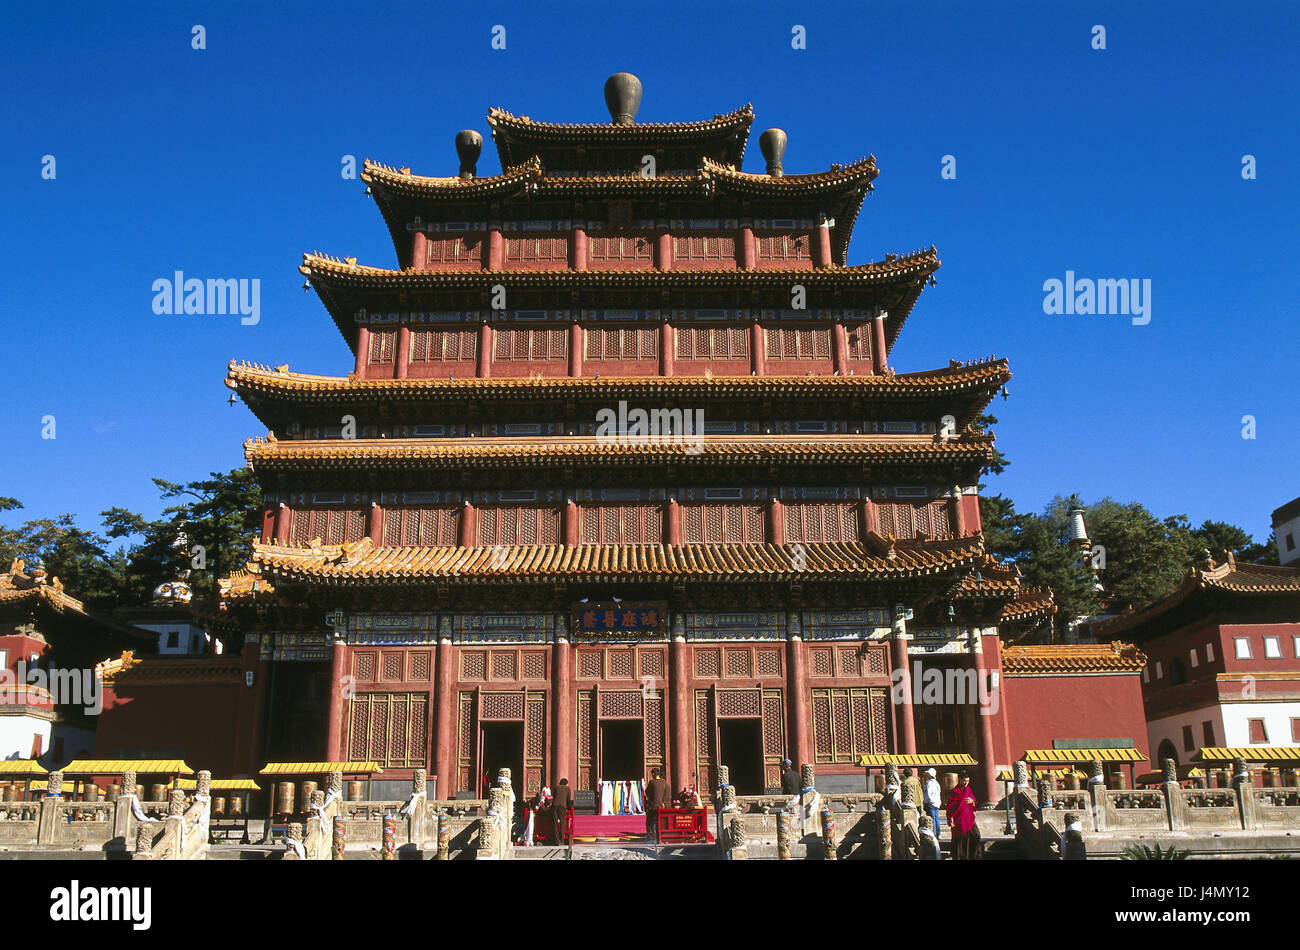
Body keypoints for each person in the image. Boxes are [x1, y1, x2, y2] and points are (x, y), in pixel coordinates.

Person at [945, 771, 982, 859]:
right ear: (959, 780)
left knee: (976, 835)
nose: (965, 783)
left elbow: (973, 799)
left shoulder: (968, 789)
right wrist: (950, 818)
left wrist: (972, 801)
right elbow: (950, 806)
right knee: (961, 839)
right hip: (959, 819)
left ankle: (974, 855)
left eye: (967, 781)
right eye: (964, 781)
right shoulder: (955, 791)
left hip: (969, 818)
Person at [644, 768, 670, 839]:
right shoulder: (664, 783)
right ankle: (662, 834)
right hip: (663, 806)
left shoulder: (652, 782)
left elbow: (647, 792)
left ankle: (651, 835)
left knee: (650, 821)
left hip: (653, 806)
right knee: (660, 821)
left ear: (653, 774)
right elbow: (667, 794)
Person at [551, 778, 573, 845]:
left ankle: (557, 840)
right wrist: (570, 808)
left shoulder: (556, 787)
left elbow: (553, 797)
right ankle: (562, 840)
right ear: (566, 783)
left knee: (555, 823)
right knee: (562, 823)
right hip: (562, 806)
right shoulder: (567, 788)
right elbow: (568, 799)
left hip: (555, 806)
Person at [922, 768, 942, 837]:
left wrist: (926, 801)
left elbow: (929, 794)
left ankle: (934, 833)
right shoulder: (936, 783)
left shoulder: (929, 783)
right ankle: (938, 833)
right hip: (936, 803)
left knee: (932, 819)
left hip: (930, 803)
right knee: (936, 818)